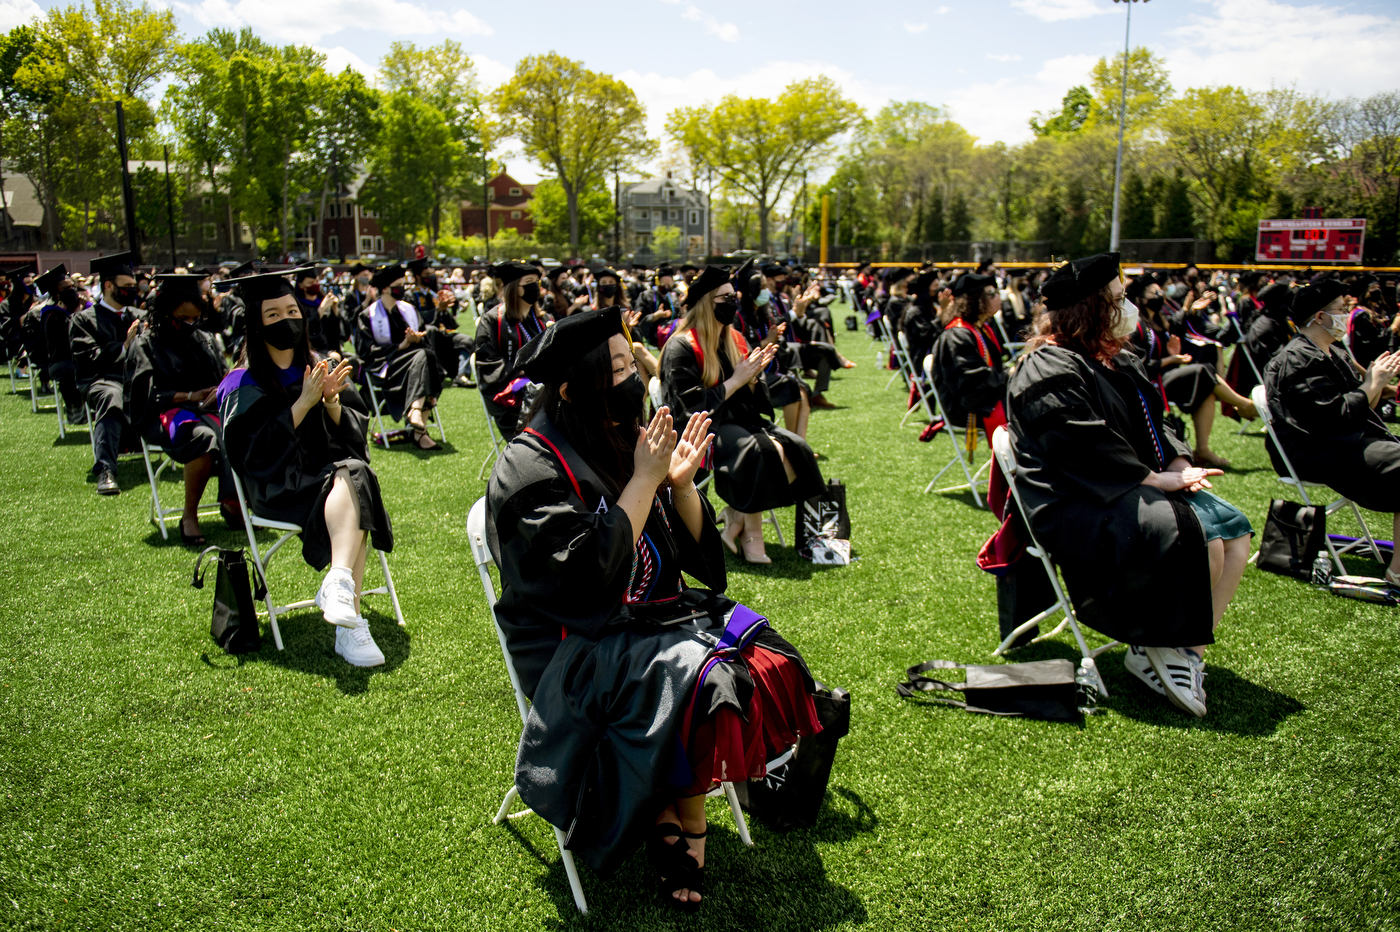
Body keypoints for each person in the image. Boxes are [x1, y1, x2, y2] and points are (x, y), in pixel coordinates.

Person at [486, 307, 823, 908]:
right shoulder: (528, 464)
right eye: (616, 367)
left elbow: (700, 563)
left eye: (629, 359)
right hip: (577, 642)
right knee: (709, 680)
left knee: (766, 654)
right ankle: (685, 829)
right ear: (571, 387)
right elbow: (587, 580)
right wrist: (644, 481)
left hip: (653, 618)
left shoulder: (617, 437)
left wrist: (682, 483)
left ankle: (668, 813)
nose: (634, 375)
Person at [1006, 252, 1251, 718]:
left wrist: (1178, 460)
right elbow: (1075, 439)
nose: (1129, 306)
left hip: (1127, 484)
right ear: (1090, 309)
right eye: (1118, 299)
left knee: (1231, 529)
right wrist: (1153, 477)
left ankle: (1183, 652)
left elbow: (1157, 423)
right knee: (1199, 537)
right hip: (1076, 496)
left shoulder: (1120, 359)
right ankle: (1159, 643)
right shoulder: (1047, 365)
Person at [217, 270, 392, 667]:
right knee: (356, 487)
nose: (287, 321)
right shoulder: (240, 383)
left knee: (355, 473)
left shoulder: (318, 368)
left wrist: (330, 402)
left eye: (292, 311)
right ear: (257, 326)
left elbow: (354, 440)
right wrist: (302, 403)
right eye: (274, 315)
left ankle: (340, 586)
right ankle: (349, 622)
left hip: (326, 479)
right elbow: (250, 457)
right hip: (278, 488)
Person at [660, 265, 824, 564]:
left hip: (739, 420)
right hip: (701, 429)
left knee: (798, 450)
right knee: (762, 453)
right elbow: (689, 406)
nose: (733, 302)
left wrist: (753, 378)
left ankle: (735, 517)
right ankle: (752, 536)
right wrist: (735, 381)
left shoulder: (734, 339)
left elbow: (755, 395)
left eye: (733, 295)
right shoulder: (681, 346)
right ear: (707, 303)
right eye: (724, 297)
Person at [1263, 279, 1400, 585]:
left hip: (1343, 438)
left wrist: (1377, 382)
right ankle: (1397, 572)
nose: (1345, 313)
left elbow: (1362, 410)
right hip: (1312, 449)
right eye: (1340, 309)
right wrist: (1372, 384)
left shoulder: (1331, 351)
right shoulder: (1295, 360)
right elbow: (1333, 418)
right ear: (1320, 317)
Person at [124, 273, 234, 545]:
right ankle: (189, 516)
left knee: (239, 429)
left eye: (195, 318)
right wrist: (188, 395)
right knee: (203, 438)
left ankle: (234, 504)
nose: (191, 324)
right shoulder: (146, 344)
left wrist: (216, 390)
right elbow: (143, 394)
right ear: (165, 310)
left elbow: (221, 374)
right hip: (163, 413)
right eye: (184, 318)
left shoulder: (203, 339)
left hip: (205, 410)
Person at [70, 252, 144, 495]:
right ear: (108, 286)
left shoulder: (139, 317)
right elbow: (90, 359)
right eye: (127, 286)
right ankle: (106, 469)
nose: (132, 291)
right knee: (112, 396)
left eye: (134, 286)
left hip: (136, 378)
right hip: (100, 380)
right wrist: (124, 346)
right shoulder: (83, 320)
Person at [355, 264, 444, 451]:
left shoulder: (409, 310)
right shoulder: (368, 316)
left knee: (425, 354)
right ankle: (418, 418)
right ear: (385, 288)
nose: (402, 289)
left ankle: (417, 420)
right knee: (426, 357)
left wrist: (416, 339)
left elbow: (424, 338)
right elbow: (365, 351)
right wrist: (400, 346)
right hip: (387, 367)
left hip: (414, 366)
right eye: (398, 285)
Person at [475, 260, 550, 439]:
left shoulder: (542, 318)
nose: (535, 287)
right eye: (528, 282)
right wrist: (530, 378)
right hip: (510, 397)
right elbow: (490, 366)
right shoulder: (492, 321)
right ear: (514, 288)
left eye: (536, 282)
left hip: (544, 390)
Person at [931, 272, 1008, 438]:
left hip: (984, 399)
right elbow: (973, 380)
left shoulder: (980, 329)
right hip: (967, 408)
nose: (998, 298)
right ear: (975, 299)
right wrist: (1012, 375)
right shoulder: (958, 335)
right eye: (991, 294)